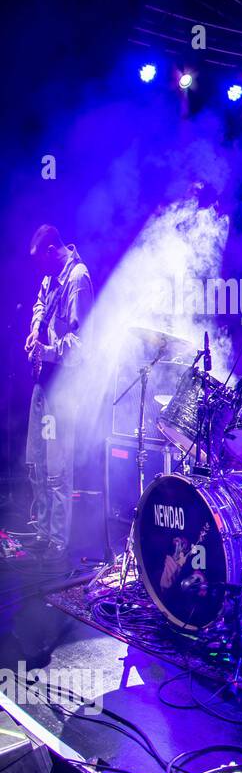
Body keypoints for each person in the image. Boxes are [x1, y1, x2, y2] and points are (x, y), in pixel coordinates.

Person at [23, 225, 93, 560]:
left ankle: (58, 540)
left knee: (57, 465)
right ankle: (42, 530)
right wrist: (35, 331)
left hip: (63, 382)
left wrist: (46, 351)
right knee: (36, 459)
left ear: (52, 251)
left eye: (41, 263)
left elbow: (80, 346)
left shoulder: (77, 279)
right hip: (44, 379)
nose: (40, 272)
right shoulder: (52, 275)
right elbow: (40, 303)